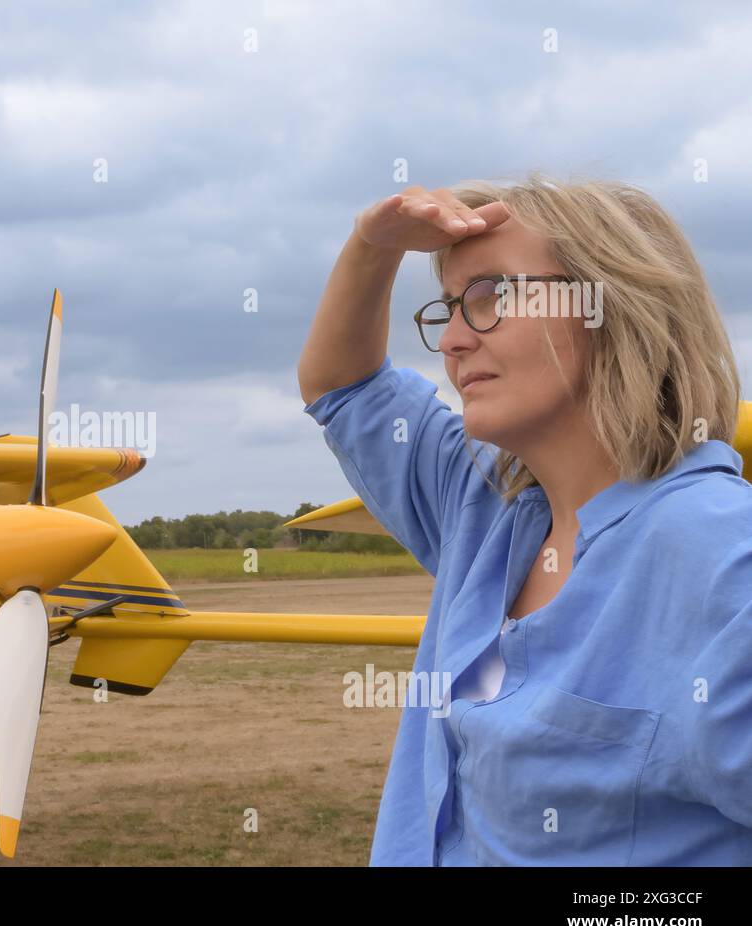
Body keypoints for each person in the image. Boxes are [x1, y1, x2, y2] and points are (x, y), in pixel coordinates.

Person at [297, 174, 752, 865]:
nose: (450, 340)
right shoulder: (482, 504)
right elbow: (342, 386)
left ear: (614, 304)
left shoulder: (724, 558)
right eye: (448, 307)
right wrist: (372, 245)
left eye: (488, 297)